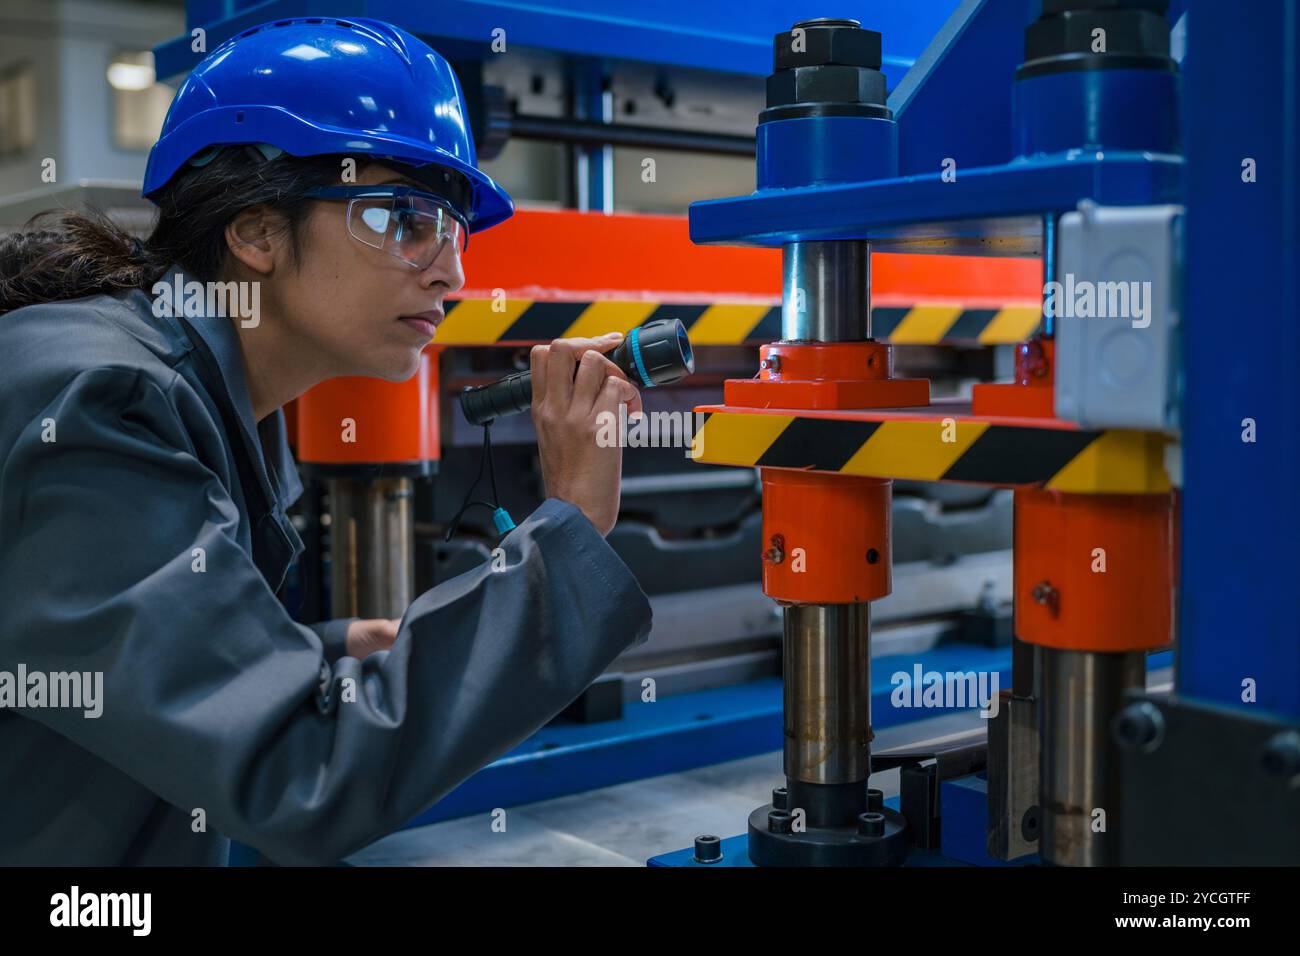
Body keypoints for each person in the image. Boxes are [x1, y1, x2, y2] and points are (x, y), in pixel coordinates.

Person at [0, 17, 651, 865]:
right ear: (256, 231)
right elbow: (296, 772)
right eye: (402, 218)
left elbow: (116, 667)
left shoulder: (194, 391)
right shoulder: (100, 400)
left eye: (452, 229)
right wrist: (569, 525)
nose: (451, 271)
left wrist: (320, 649)